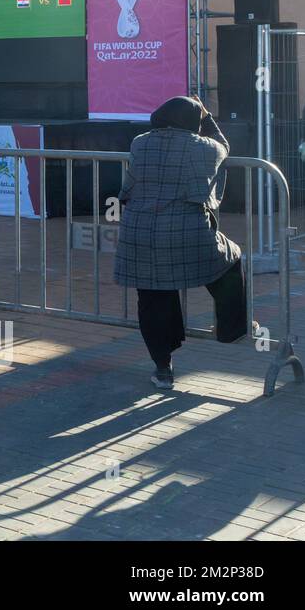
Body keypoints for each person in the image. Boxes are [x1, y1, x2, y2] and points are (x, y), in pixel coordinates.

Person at [114, 95, 250, 390]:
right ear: (192, 121)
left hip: (138, 233)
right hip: (185, 232)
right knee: (230, 259)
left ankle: (163, 369)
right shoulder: (202, 147)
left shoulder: (139, 142)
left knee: (153, 297)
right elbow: (223, 146)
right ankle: (232, 330)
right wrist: (207, 116)